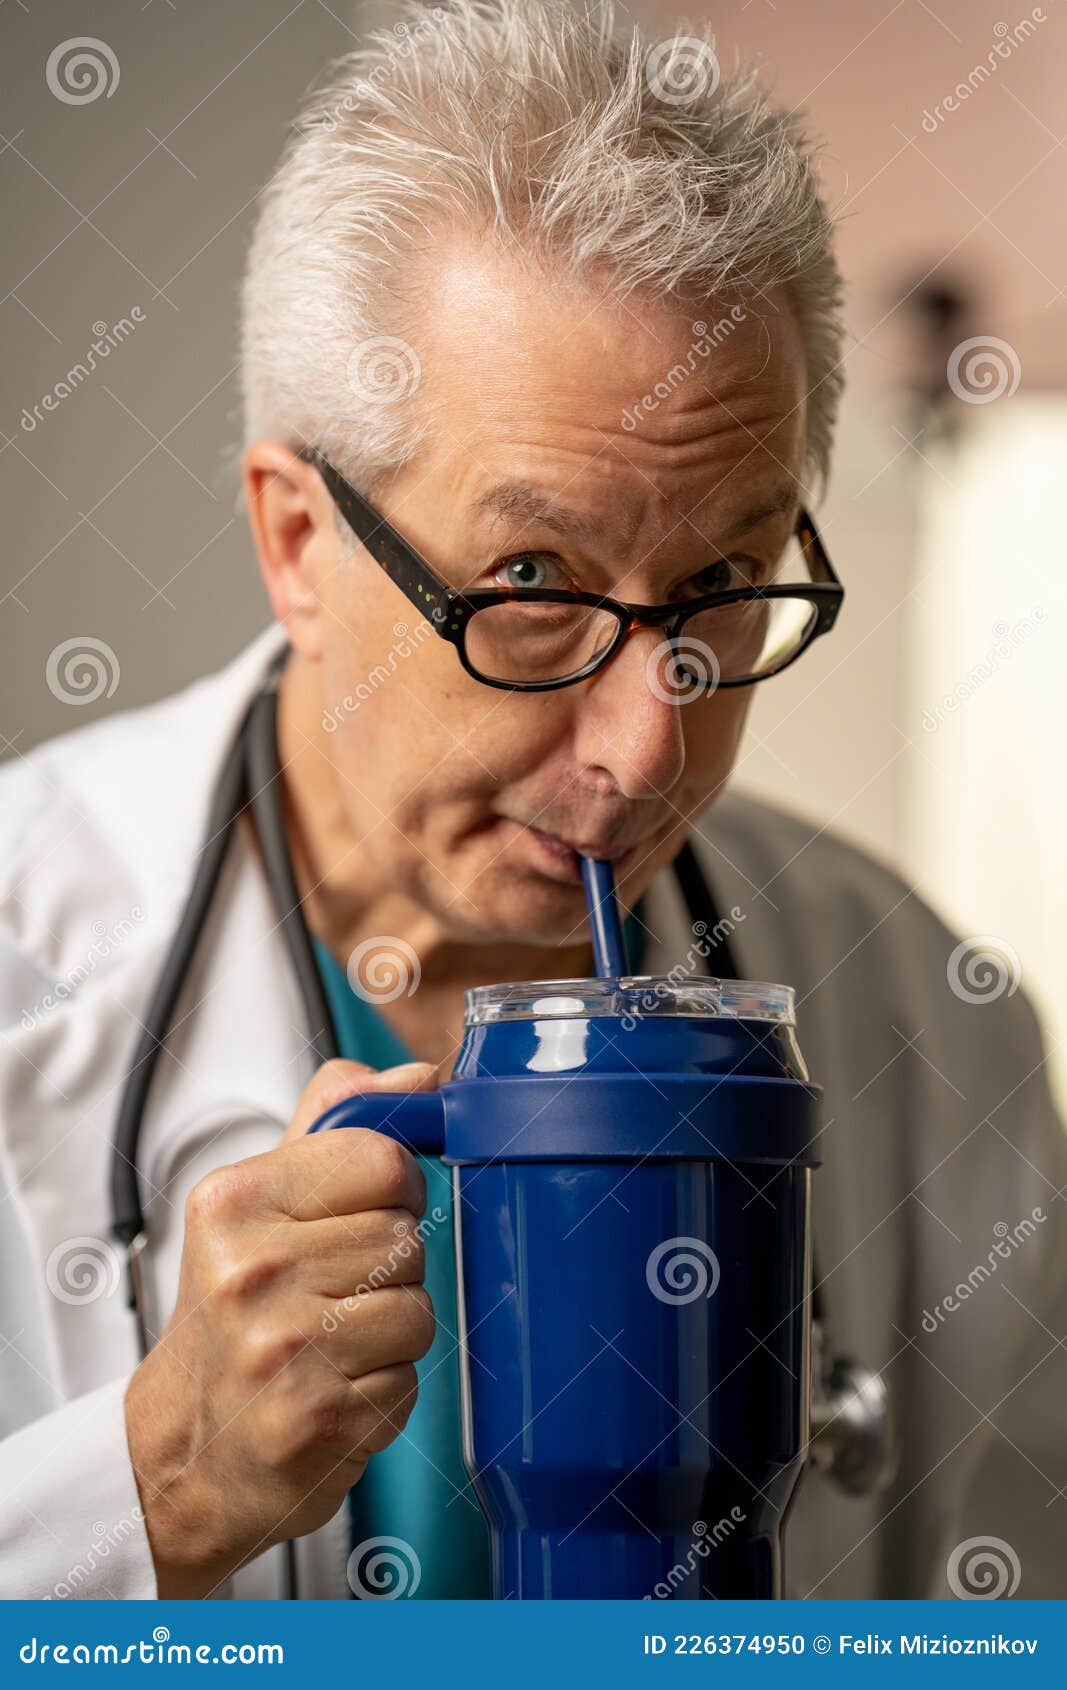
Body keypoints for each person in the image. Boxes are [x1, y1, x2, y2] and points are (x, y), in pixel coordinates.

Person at [1, 0, 1064, 1602]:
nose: (648, 751)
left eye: (722, 582)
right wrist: (151, 1478)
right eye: (534, 585)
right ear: (298, 538)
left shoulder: (930, 1022)